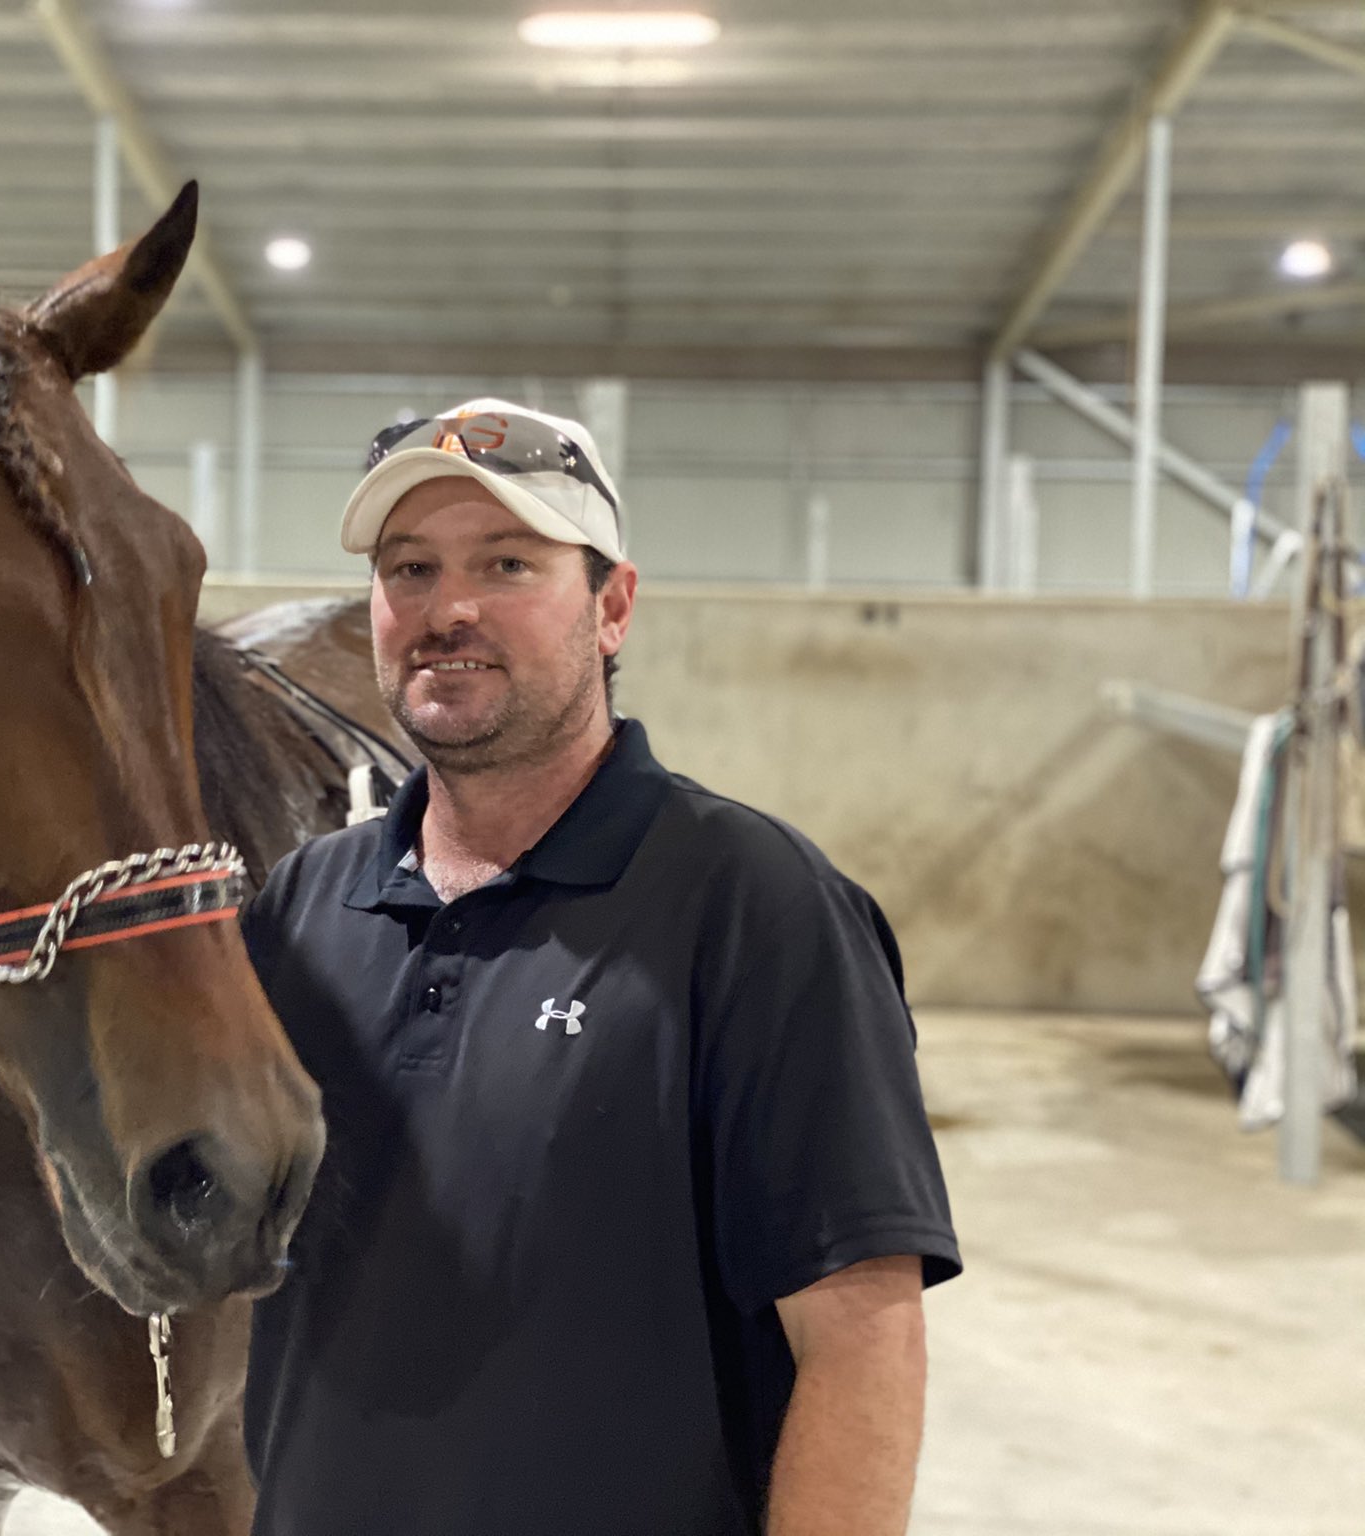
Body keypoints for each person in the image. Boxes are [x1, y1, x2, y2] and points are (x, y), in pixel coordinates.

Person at [239, 399, 960, 1536]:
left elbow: (861, 1329)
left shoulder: (753, 905)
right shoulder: (301, 905)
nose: (447, 610)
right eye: (408, 569)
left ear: (611, 607)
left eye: (507, 562)